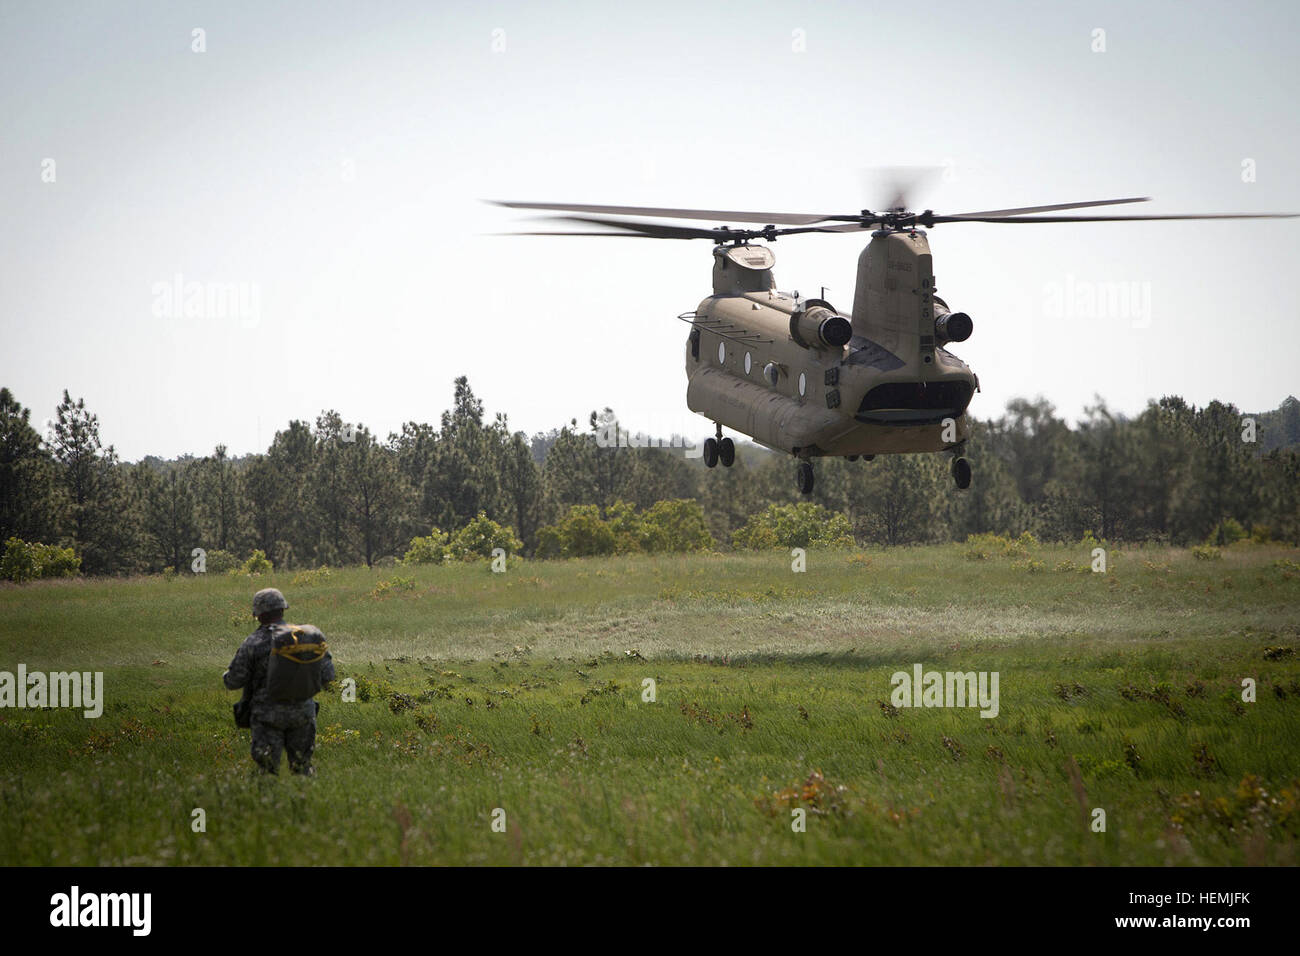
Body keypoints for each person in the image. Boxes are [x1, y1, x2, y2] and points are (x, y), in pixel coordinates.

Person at [224, 587, 335, 775]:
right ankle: (307, 802)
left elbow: (233, 681)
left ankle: (269, 803)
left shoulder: (253, 642)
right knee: (302, 767)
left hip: (267, 716)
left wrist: (226, 675)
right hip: (303, 713)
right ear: (283, 609)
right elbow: (328, 676)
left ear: (258, 614)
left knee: (267, 770)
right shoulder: (305, 637)